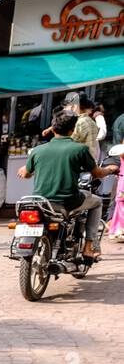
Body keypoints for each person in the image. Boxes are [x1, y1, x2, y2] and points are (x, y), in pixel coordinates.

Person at [19, 111, 119, 261]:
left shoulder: (37, 150)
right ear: (73, 130)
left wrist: (23, 170)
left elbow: (25, 174)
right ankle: (88, 247)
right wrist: (110, 169)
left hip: (40, 201)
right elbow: (97, 173)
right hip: (68, 201)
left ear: (53, 129)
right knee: (97, 202)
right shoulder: (80, 150)